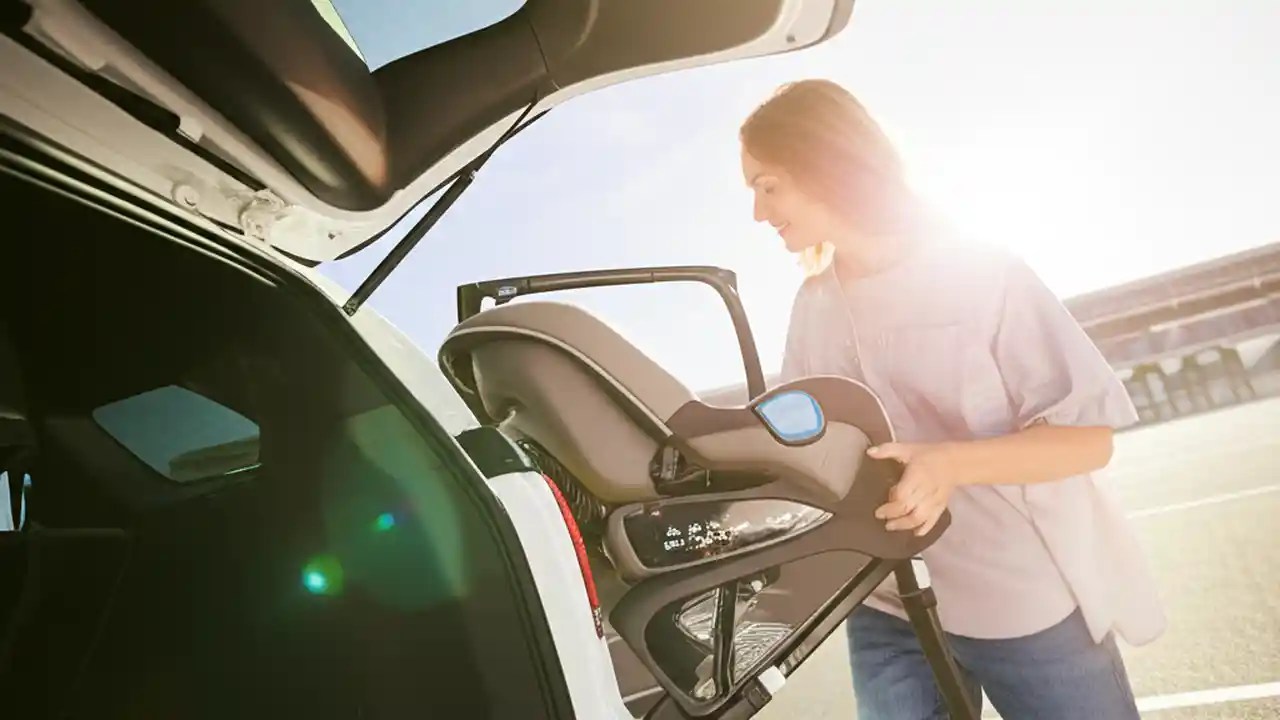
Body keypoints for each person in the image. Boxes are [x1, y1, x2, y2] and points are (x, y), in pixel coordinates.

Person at [739, 79, 1166, 719]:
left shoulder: (982, 273)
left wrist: (948, 464)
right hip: (887, 605)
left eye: (767, 185)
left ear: (822, 162)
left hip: (1021, 604)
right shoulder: (813, 305)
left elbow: (1088, 439)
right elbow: (805, 446)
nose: (757, 212)